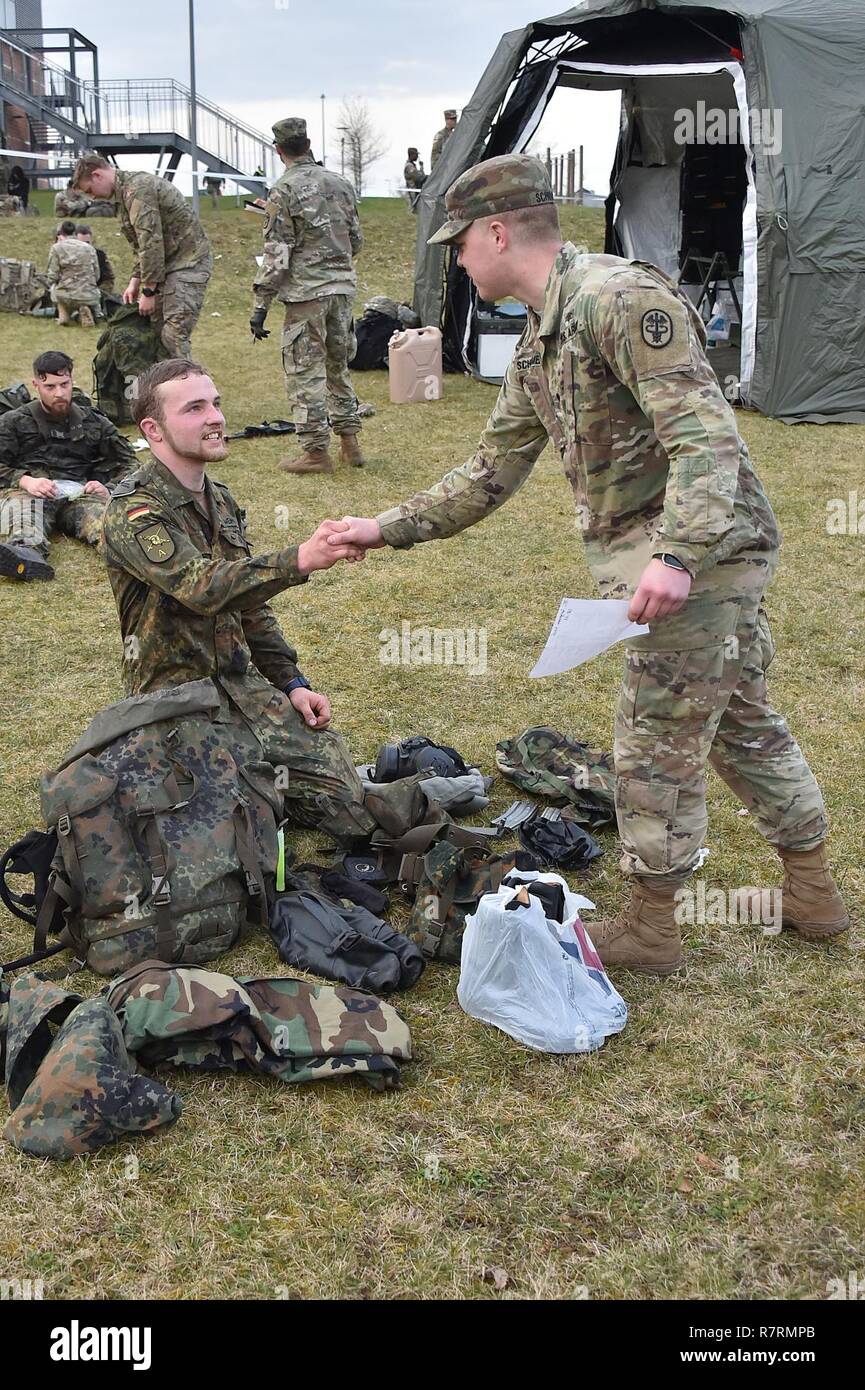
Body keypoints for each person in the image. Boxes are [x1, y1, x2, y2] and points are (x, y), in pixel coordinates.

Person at [329, 153, 849, 975]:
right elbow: (488, 470)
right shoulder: (539, 342)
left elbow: (704, 438)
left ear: (497, 232)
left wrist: (676, 554)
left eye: (460, 244)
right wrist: (381, 528)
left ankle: (650, 926)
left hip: (699, 557)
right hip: (668, 563)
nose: (457, 260)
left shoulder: (619, 300)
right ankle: (812, 894)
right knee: (741, 722)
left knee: (651, 742)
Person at [100, 358, 382, 846]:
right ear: (154, 429)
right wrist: (301, 559)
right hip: (175, 703)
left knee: (343, 791)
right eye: (194, 408)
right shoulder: (134, 509)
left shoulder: (222, 501)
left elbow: (249, 608)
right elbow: (203, 587)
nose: (215, 417)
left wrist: (292, 683)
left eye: (216, 403)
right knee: (225, 822)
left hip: (241, 687)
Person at [249, 116, 365, 475]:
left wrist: (260, 305)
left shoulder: (283, 190)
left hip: (307, 294)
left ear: (278, 149)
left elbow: (278, 253)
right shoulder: (341, 184)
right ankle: (350, 443)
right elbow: (356, 240)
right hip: (341, 289)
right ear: (309, 143)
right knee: (338, 366)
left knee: (305, 373)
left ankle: (316, 452)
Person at [0, 350, 136, 582]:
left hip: (80, 495)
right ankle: (26, 559)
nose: (59, 393)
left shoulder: (94, 422)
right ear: (36, 385)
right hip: (30, 493)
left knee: (110, 525)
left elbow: (130, 464)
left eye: (64, 384)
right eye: (50, 387)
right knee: (22, 520)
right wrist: (26, 480)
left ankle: (135, 558)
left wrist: (109, 488)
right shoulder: (14, 421)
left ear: (72, 380)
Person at [71, 153, 213, 359]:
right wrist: (135, 281)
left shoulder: (138, 189)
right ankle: (164, 386)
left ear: (97, 175)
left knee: (173, 336)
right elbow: (140, 245)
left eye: (90, 190)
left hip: (188, 264)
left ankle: (190, 388)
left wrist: (148, 291)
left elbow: (151, 242)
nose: (93, 197)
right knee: (155, 333)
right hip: (168, 265)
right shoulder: (125, 194)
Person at [45, 220, 101, 328]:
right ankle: (82, 310)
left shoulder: (57, 248)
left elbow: (53, 275)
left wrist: (50, 284)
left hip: (67, 294)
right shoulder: (89, 248)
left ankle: (64, 316)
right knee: (81, 297)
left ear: (60, 234)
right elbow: (97, 275)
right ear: (75, 232)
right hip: (89, 294)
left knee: (55, 291)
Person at [76, 223, 116, 296]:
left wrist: (99, 292)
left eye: (87, 243)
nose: (85, 247)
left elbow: (108, 279)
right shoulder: (67, 256)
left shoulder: (100, 255)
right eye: (80, 243)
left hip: (95, 293)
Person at [403, 147, 427, 211]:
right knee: (413, 211)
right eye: (416, 155)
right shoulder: (409, 166)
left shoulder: (412, 165)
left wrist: (421, 167)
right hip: (412, 193)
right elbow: (419, 178)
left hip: (415, 192)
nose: (417, 157)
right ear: (412, 155)